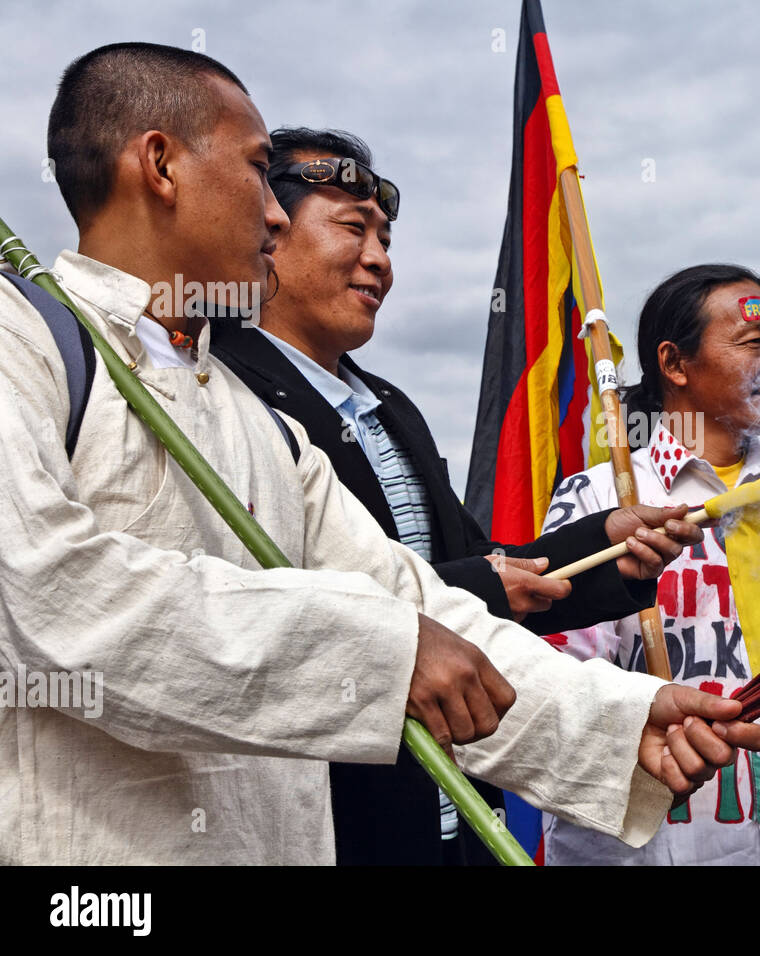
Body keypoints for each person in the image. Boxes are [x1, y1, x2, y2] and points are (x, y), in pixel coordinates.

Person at [0, 42, 760, 865]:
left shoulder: (263, 426)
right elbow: (46, 596)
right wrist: (376, 652)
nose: (271, 213)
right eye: (260, 170)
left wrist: (615, 723)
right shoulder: (29, 343)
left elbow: (418, 604)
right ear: (160, 163)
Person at [210, 126, 701, 865]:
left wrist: (610, 550)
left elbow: (480, 567)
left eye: (386, 238)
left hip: (459, 806)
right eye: (352, 229)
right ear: (268, 231)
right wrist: (481, 584)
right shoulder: (221, 396)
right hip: (339, 820)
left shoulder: (388, 406)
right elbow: (266, 605)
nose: (378, 260)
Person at [539, 263, 760, 865]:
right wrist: (639, 721)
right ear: (675, 363)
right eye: (751, 344)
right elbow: (552, 684)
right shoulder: (600, 502)